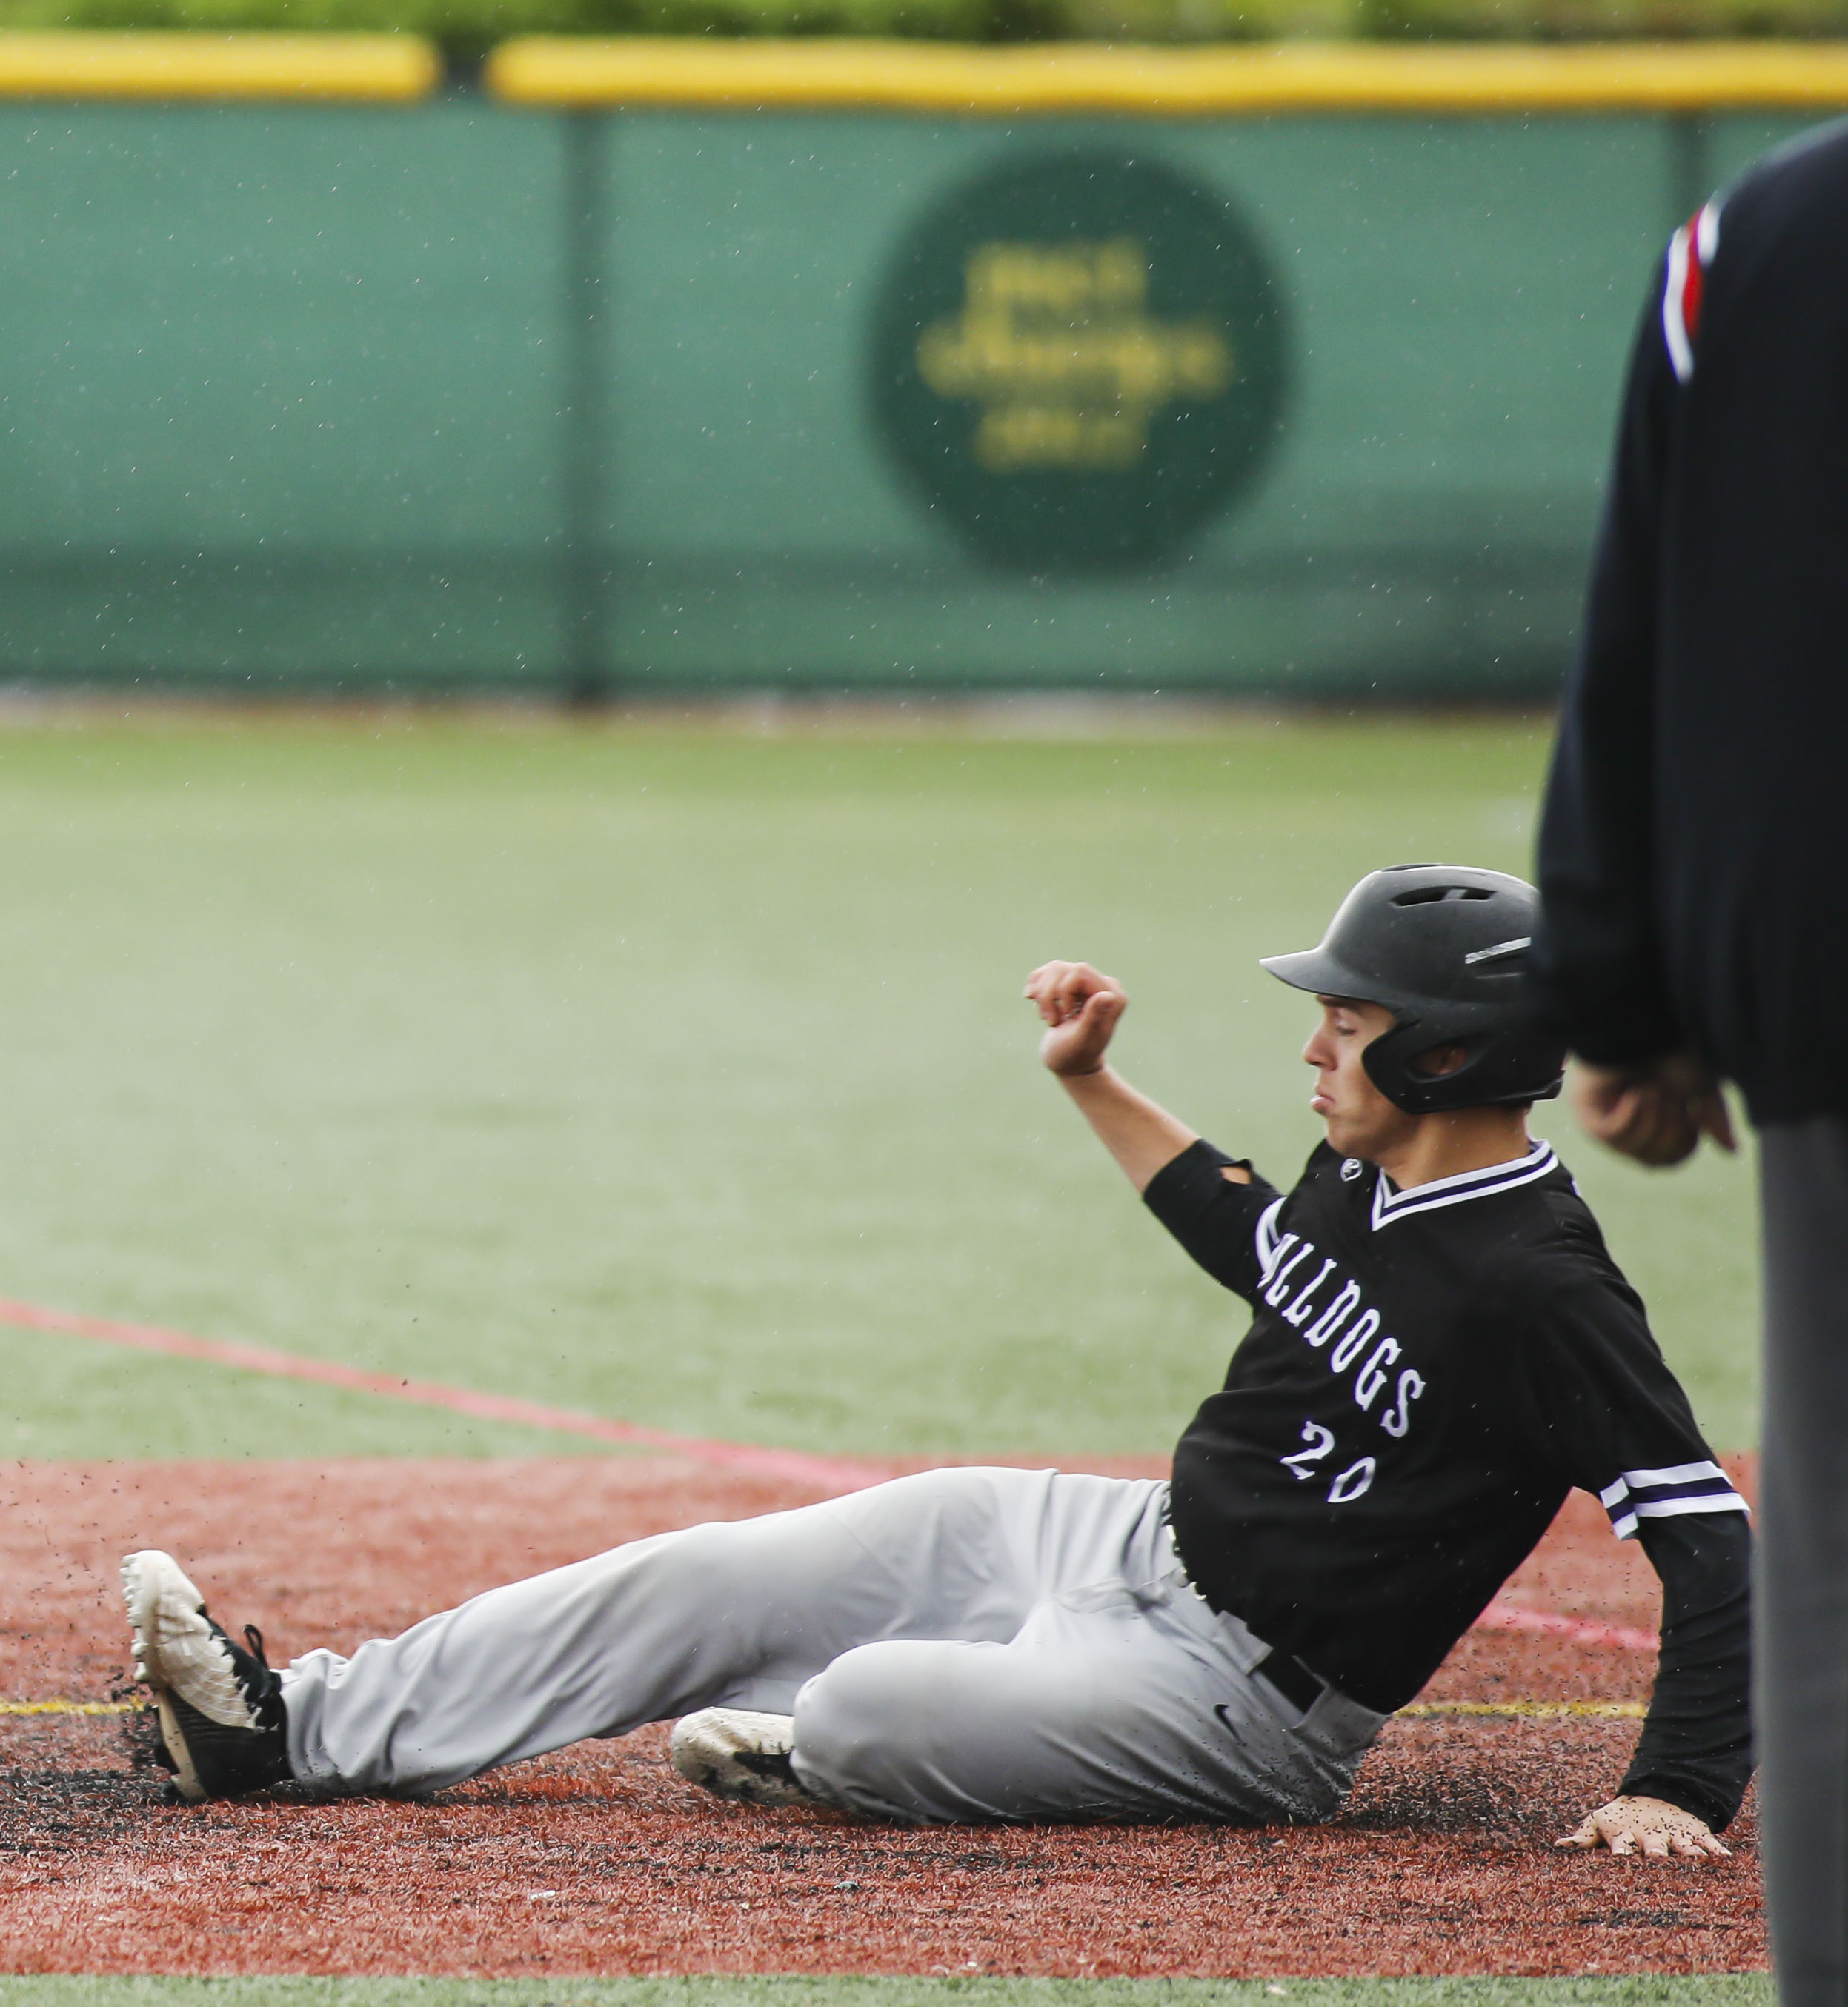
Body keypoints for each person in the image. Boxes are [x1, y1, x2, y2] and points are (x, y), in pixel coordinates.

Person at [124, 866, 1750, 1854]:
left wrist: (1676, 1785)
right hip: (1107, 1540)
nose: (1316, 1037)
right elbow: (1252, 1238)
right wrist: (1090, 1082)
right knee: (707, 1577)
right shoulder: (1371, 1169)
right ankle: (288, 1729)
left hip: (1236, 1708)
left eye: (1348, 1015)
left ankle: (830, 1746)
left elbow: (1706, 1538)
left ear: (1446, 1051)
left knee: (862, 1708)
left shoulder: (1540, 1288)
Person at [1536, 134, 1848, 2007]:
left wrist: (1619, 980)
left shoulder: (1757, 232)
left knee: (1831, 1570)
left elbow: (1638, 614)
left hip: (1818, 974)